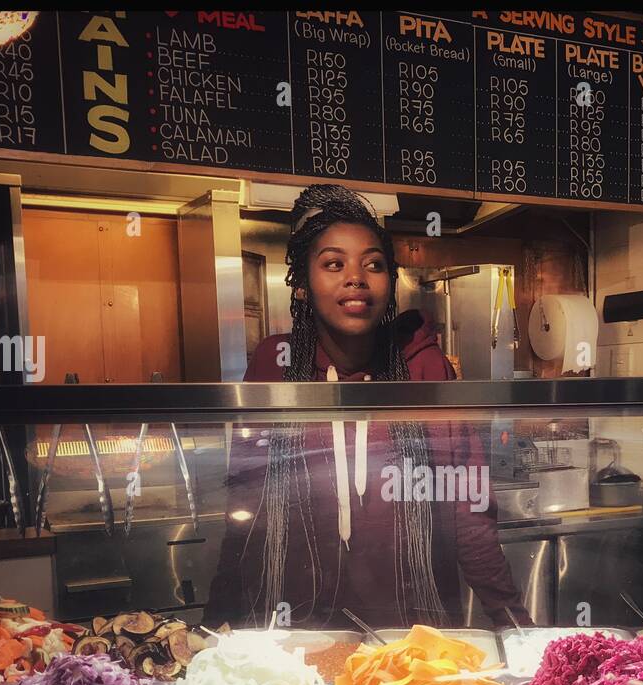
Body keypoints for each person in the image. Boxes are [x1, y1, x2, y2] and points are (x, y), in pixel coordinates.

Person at [203, 184, 529, 630]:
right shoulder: (273, 366)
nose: (355, 277)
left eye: (373, 264)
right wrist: (216, 622)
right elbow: (245, 509)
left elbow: (467, 512)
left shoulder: (424, 367)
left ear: (390, 283)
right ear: (301, 285)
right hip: (301, 637)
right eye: (333, 264)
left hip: (411, 638)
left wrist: (515, 624)